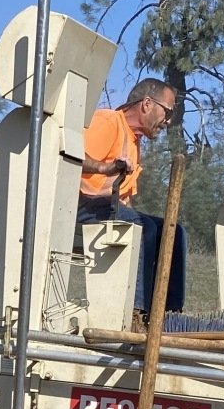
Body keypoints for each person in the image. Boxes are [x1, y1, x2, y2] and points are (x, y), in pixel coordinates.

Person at [76, 78, 187, 315]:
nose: (167, 121)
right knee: (142, 227)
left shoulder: (134, 141)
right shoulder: (108, 121)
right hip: (80, 206)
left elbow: (126, 199)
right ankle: (136, 311)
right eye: (167, 111)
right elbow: (72, 156)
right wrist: (104, 168)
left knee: (172, 230)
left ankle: (169, 312)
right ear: (147, 104)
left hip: (107, 208)